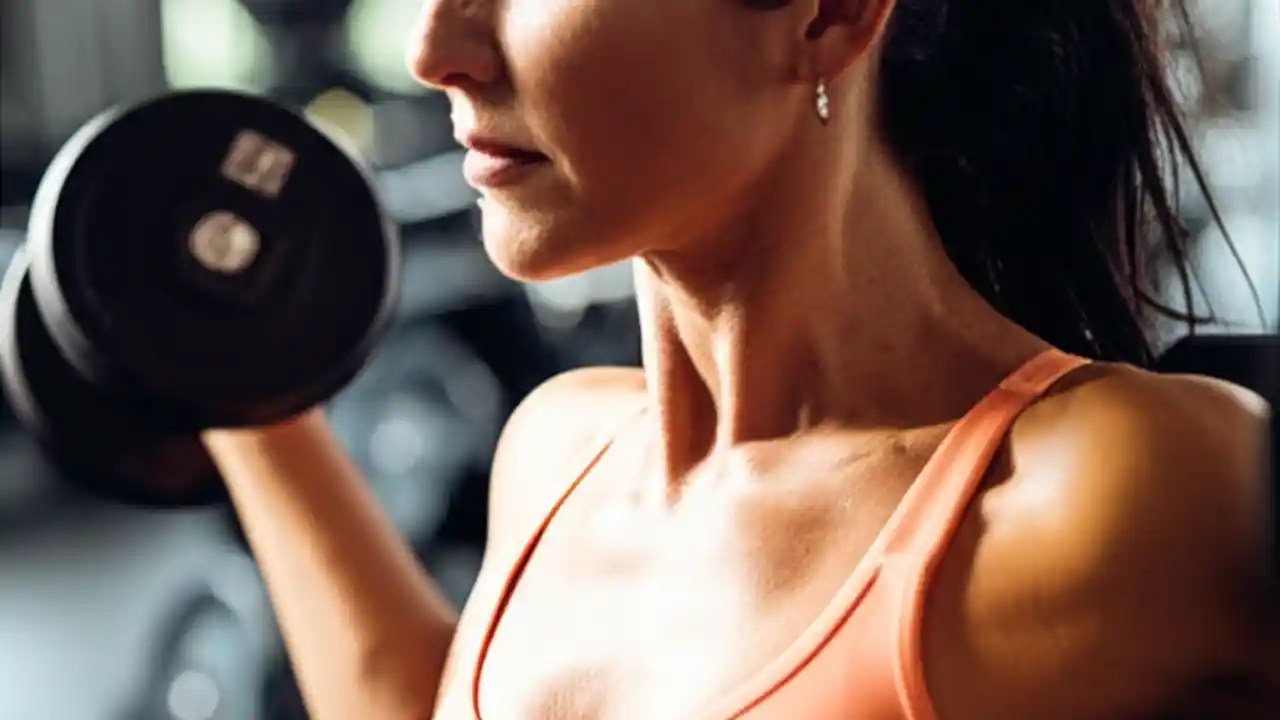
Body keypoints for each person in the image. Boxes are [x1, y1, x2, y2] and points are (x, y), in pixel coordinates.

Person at [202, 1, 1278, 718]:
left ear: (826, 15)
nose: (432, 48)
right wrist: (234, 372)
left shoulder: (1109, 496)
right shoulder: (557, 452)